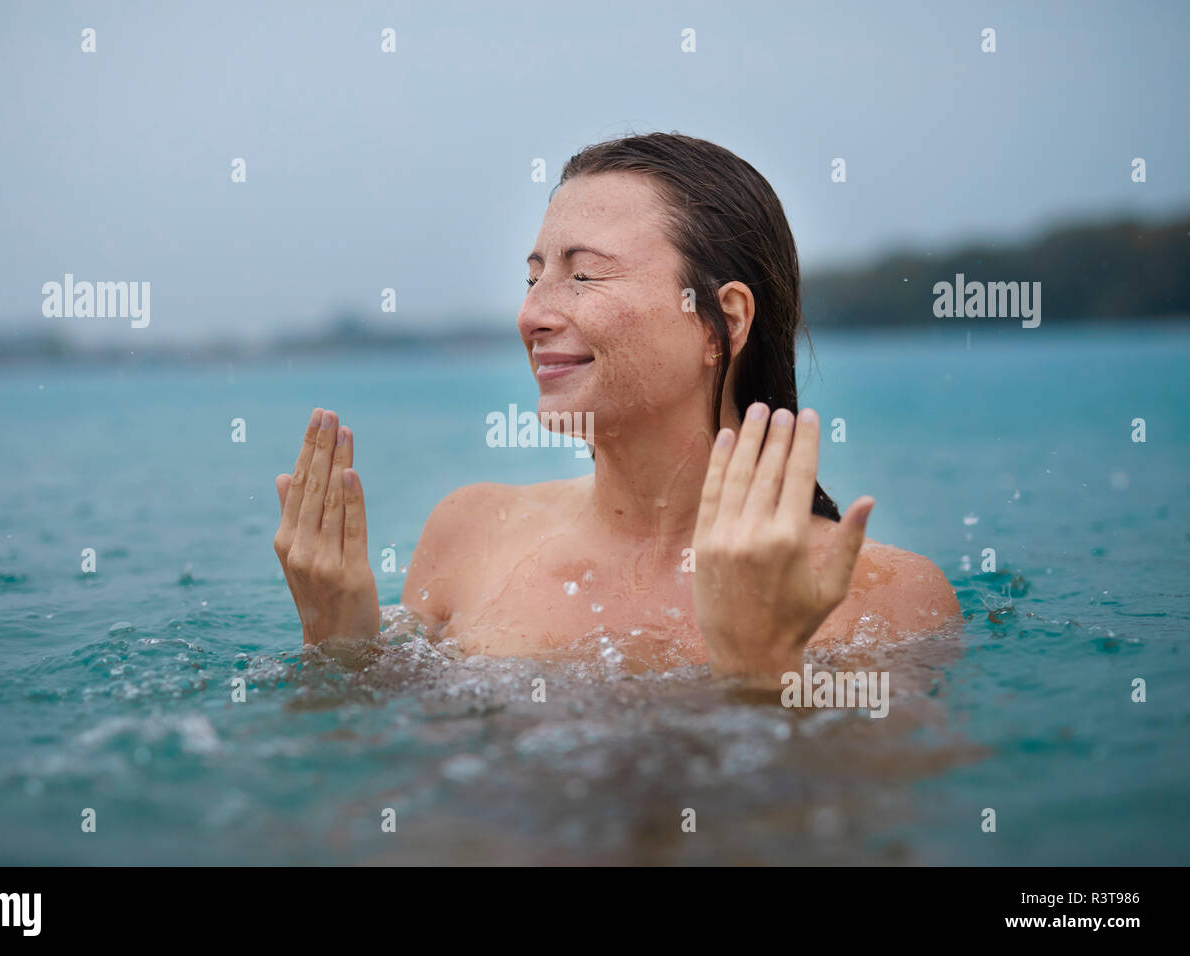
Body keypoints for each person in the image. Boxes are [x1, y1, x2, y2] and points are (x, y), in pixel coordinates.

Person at [274, 132, 960, 683]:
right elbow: (380, 794)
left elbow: (869, 834)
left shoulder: (883, 597)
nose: (531, 313)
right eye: (533, 274)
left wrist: (764, 677)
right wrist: (339, 648)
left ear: (723, 321)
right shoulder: (470, 533)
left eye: (583, 274)